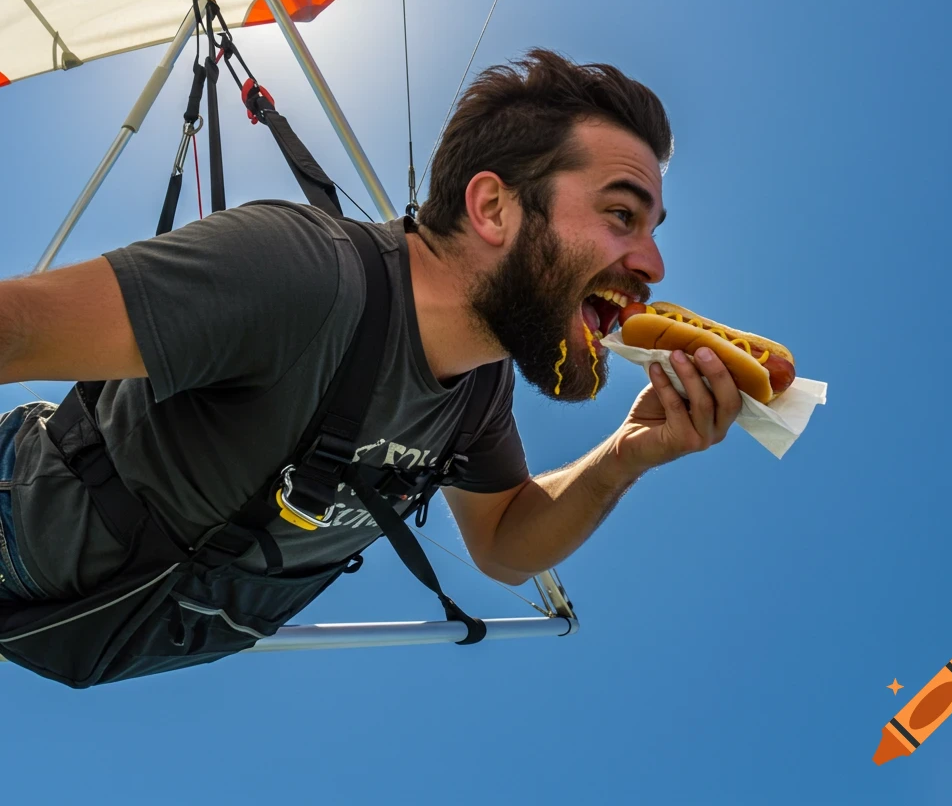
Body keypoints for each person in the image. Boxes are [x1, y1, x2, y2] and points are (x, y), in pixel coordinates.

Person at [0, 48, 741, 611]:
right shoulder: (298, 271)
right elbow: (17, 331)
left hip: (92, 618)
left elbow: (506, 545)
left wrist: (624, 457)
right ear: (493, 209)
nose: (653, 265)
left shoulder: (477, 397)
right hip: (24, 518)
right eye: (621, 214)